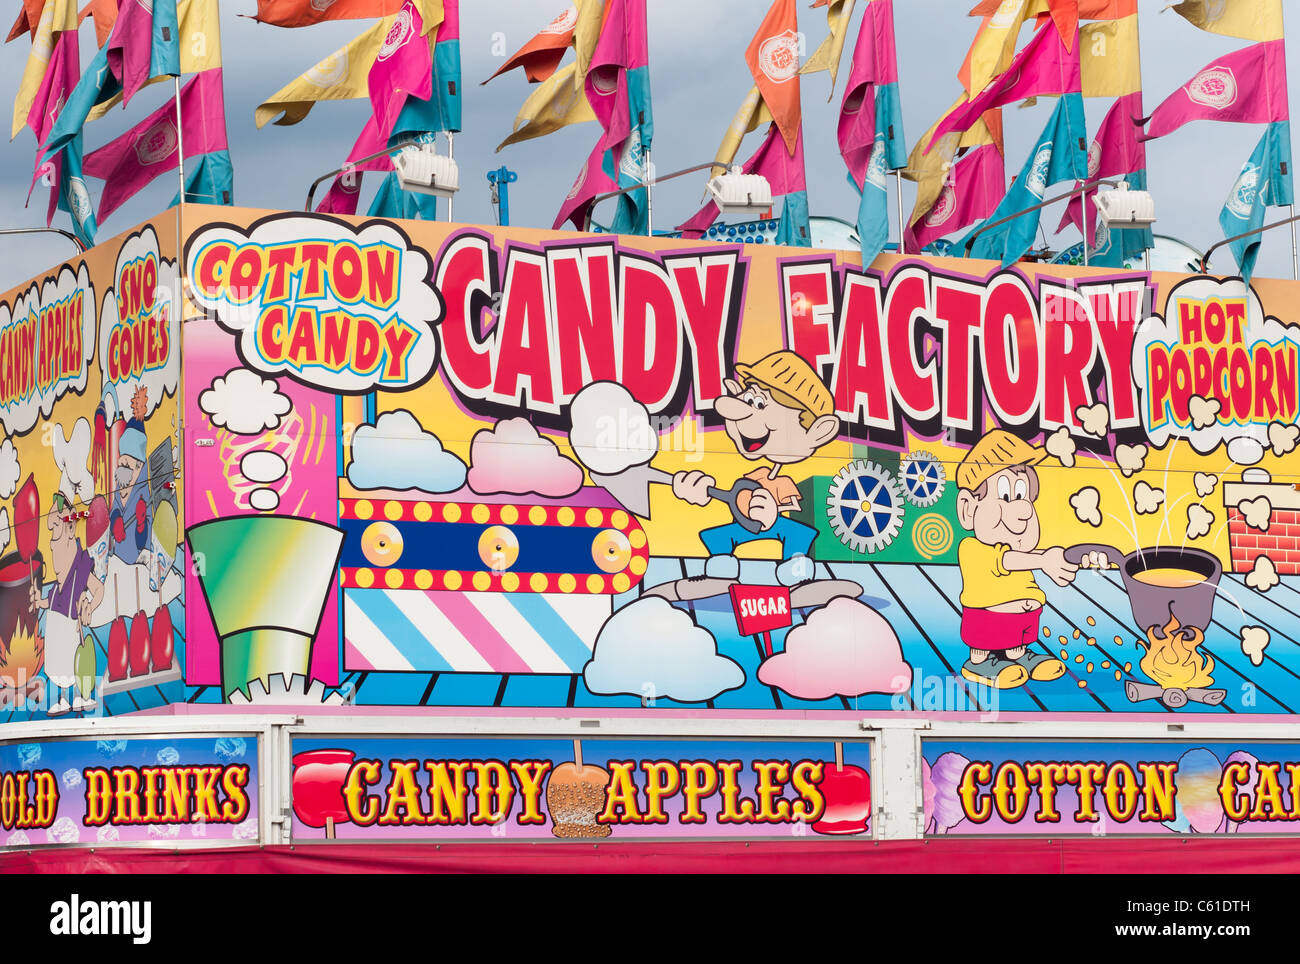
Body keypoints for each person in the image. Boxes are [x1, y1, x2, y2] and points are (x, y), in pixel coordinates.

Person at [656, 351, 857, 607]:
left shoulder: (782, 479)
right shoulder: (752, 474)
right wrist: (699, 490)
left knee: (799, 535)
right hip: (743, 525)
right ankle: (719, 577)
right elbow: (733, 496)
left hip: (778, 526)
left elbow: (792, 507)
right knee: (717, 537)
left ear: (818, 432)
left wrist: (772, 513)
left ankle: (799, 580)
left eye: (761, 404)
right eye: (748, 399)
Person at [954, 431, 1074, 690]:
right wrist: (1042, 560)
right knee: (982, 645)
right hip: (986, 621)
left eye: (1025, 496)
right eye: (1007, 496)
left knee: (1017, 642)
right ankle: (978, 663)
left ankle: (1019, 655)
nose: (1024, 510)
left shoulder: (1024, 553)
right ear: (968, 508)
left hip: (1022, 622)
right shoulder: (972, 548)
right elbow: (1005, 560)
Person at [30, 493, 104, 715]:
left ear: (71, 532)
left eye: (57, 538)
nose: (53, 548)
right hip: (56, 629)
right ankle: (61, 699)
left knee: (75, 664)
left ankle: (83, 697)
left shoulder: (81, 566)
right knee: (58, 665)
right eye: (52, 540)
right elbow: (51, 601)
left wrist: (88, 606)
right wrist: (39, 600)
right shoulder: (58, 584)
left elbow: (98, 589)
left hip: (71, 627)